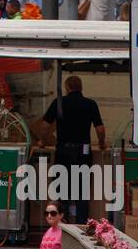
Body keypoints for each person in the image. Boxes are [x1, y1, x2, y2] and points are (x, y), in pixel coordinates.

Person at [41, 75, 106, 224]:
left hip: (63, 152)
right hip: (82, 153)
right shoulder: (90, 104)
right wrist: (102, 144)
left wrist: (42, 142)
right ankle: (81, 226)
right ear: (81, 87)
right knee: (81, 192)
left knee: (61, 191)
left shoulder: (58, 103)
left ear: (67, 87)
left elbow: (44, 126)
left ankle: (61, 227)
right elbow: (100, 129)